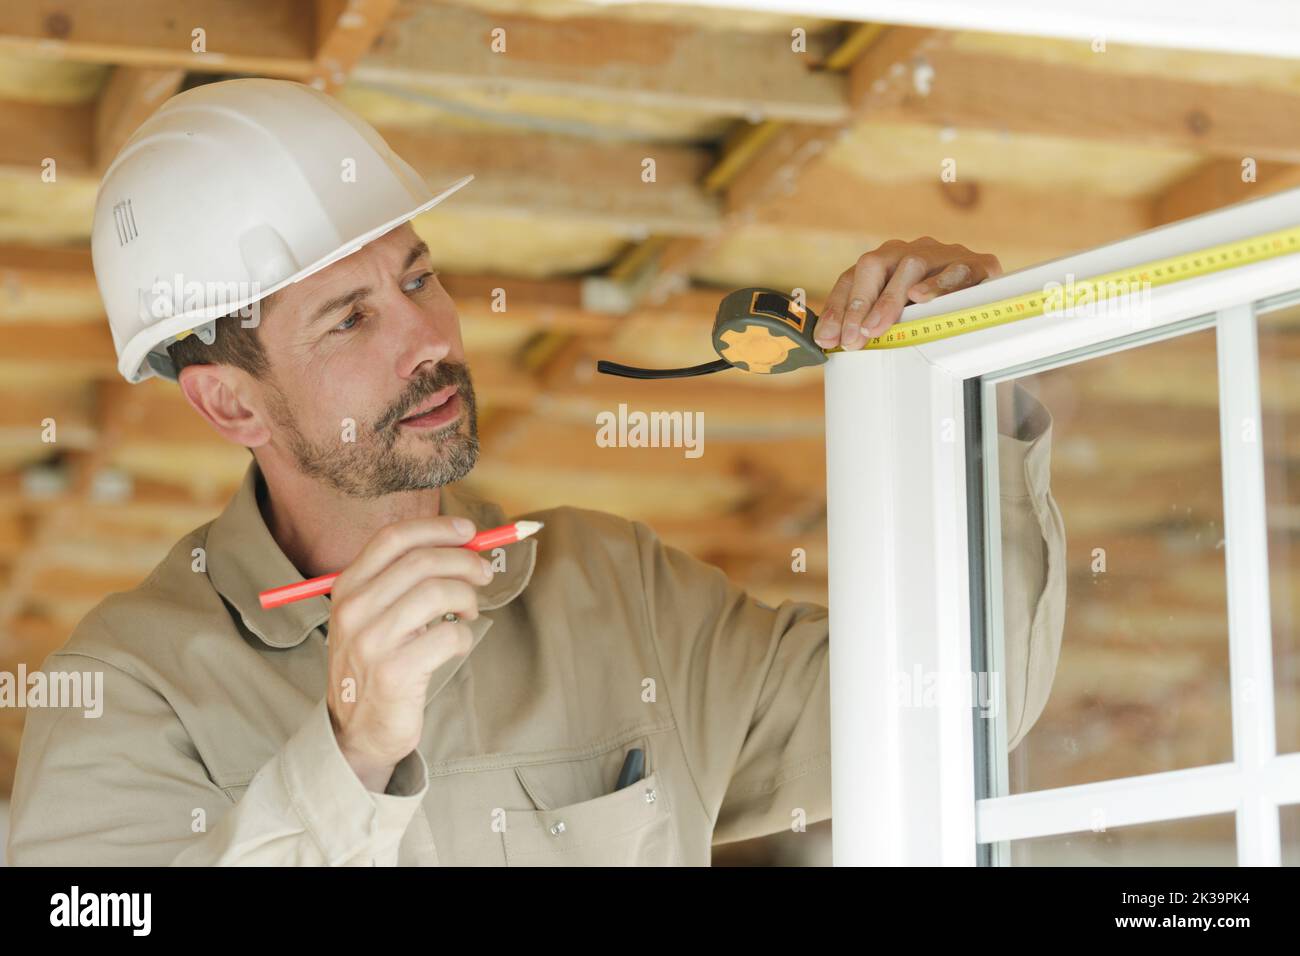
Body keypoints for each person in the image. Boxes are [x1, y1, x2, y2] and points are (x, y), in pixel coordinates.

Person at [7, 79, 1064, 866]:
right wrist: (350, 749)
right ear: (230, 401)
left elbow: (960, 703)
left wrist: (974, 387)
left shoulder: (618, 595)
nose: (426, 335)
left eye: (418, 274)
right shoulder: (126, 696)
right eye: (351, 317)